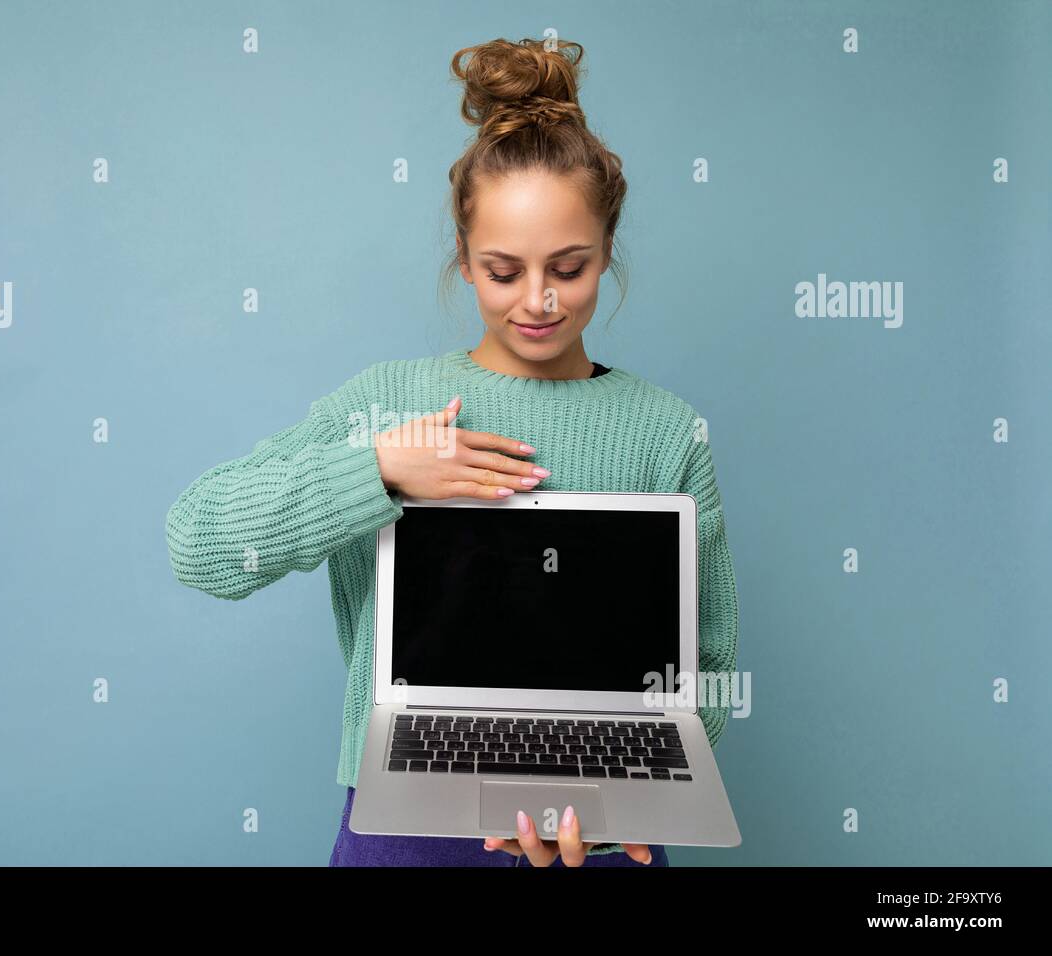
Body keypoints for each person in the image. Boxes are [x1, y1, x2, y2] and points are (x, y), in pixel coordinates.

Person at [166, 36, 738, 867]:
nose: (538, 301)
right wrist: (378, 471)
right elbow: (197, 542)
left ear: (607, 253)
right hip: (407, 822)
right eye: (503, 271)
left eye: (569, 269)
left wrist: (608, 810)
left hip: (595, 828)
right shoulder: (383, 404)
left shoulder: (665, 431)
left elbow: (710, 673)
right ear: (463, 261)